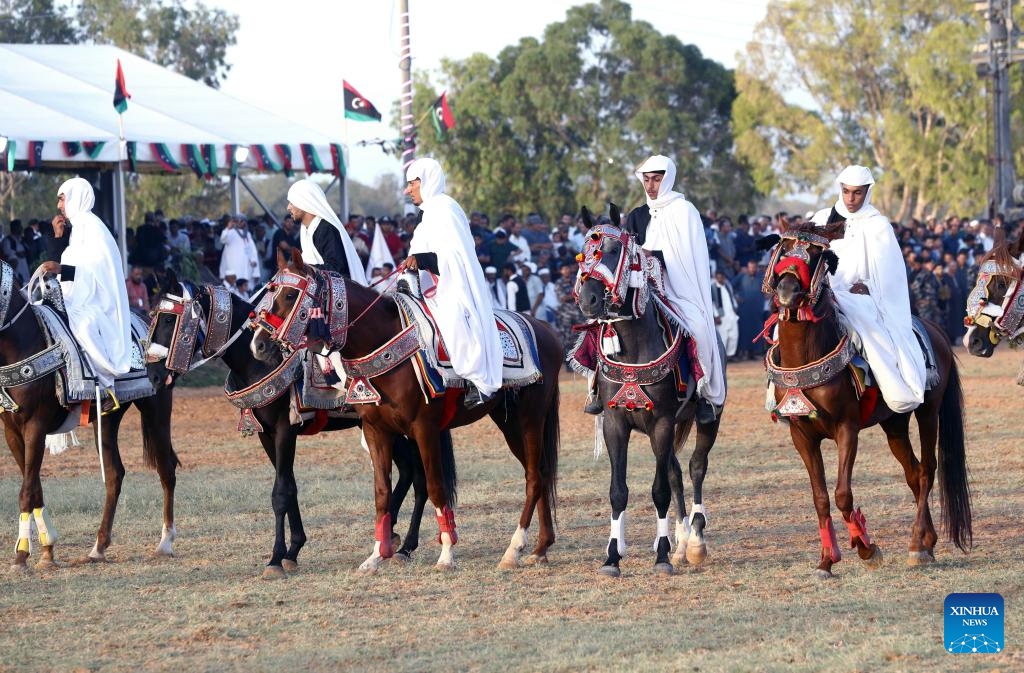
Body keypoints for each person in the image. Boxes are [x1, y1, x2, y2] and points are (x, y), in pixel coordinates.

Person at [607, 154, 724, 422]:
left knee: (700, 330)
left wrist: (651, 255)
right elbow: (627, 255)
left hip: (678, 289)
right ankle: (596, 390)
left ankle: (704, 396)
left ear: (668, 179)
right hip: (641, 290)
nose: (650, 185)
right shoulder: (636, 215)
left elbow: (686, 255)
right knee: (602, 325)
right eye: (646, 179)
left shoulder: (685, 211)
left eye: (657, 179)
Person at [811, 165, 925, 413]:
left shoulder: (878, 225)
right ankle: (778, 393)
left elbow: (890, 273)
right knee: (783, 330)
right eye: (846, 191)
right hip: (819, 294)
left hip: (859, 298)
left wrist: (870, 286)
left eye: (857, 193)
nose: (851, 199)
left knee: (872, 334)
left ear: (867, 192)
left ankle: (891, 388)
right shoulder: (820, 219)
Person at [403, 158, 502, 408]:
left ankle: (477, 381)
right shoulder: (426, 215)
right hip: (427, 286)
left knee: (453, 317)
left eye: (412, 183)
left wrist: (421, 259)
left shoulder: (445, 209)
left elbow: (454, 258)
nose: (408, 190)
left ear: (426, 181)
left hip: (452, 286)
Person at [37, 177, 132, 405]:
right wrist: (58, 238)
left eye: (62, 199)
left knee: (84, 326)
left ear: (76, 197)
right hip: (73, 293)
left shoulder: (94, 228)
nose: (59, 206)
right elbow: (70, 269)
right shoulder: (77, 228)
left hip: (96, 298)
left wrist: (61, 268)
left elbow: (95, 273)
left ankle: (102, 385)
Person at [285, 178, 366, 285]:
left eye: (292, 203)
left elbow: (335, 268)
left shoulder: (326, 228)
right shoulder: (306, 229)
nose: (288, 207)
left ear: (304, 202)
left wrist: (303, 268)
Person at [711, 269, 739, 360]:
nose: (720, 279)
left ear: (724, 278)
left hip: (731, 313)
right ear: (715, 277)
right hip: (721, 315)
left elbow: (732, 296)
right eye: (718, 278)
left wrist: (735, 307)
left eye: (721, 277)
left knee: (734, 336)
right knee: (723, 337)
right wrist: (716, 315)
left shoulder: (727, 285)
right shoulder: (713, 287)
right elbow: (712, 303)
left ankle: (730, 356)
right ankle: (722, 357)